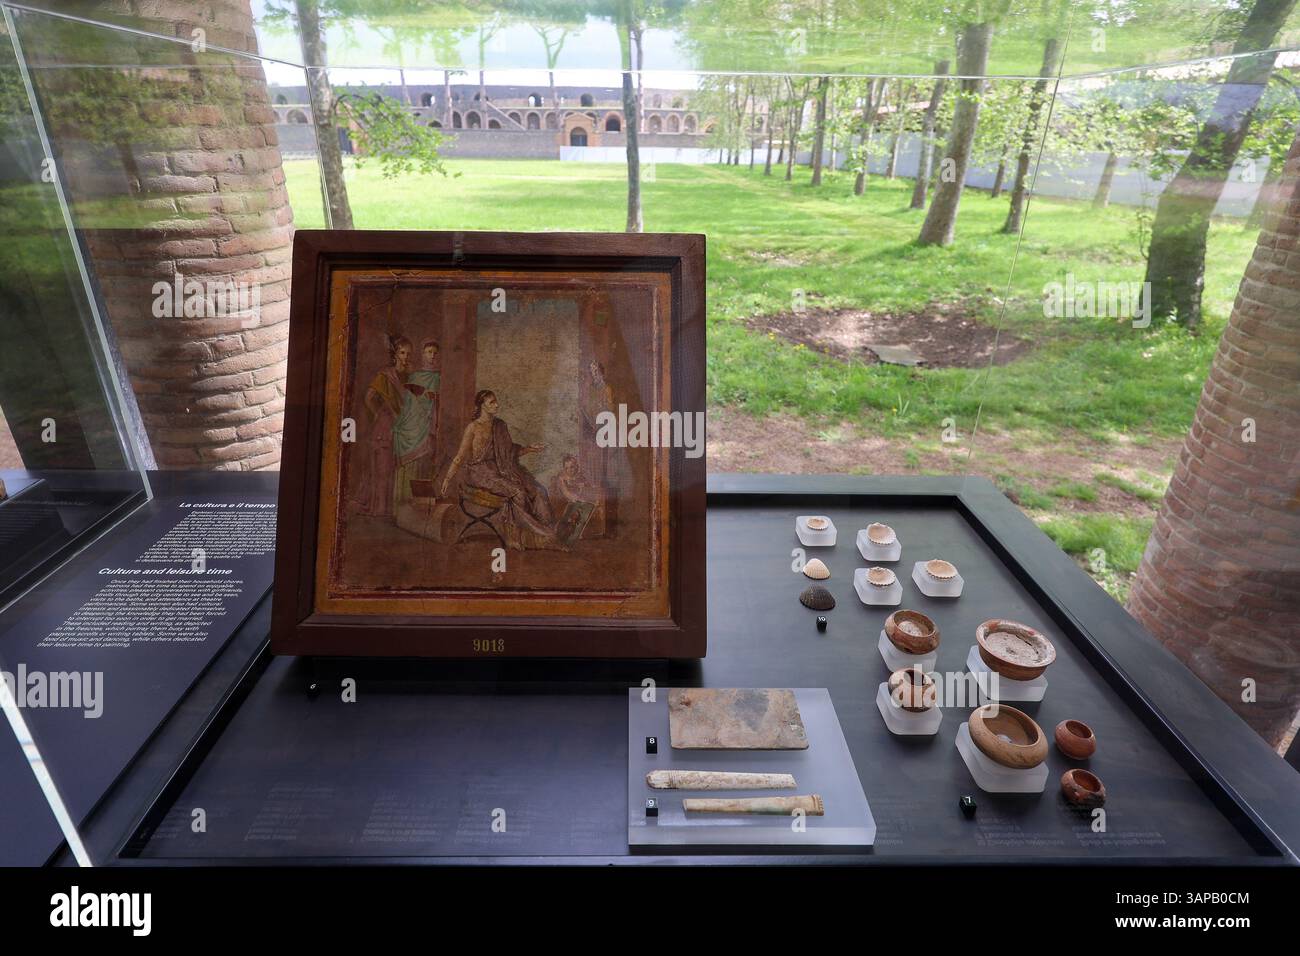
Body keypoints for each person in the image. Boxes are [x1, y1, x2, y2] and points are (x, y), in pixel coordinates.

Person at [440, 389, 557, 549]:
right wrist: (447, 479)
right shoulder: (473, 428)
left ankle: (547, 533)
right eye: (492, 402)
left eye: (496, 401)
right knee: (517, 491)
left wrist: (529, 448)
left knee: (539, 490)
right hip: (480, 473)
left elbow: (509, 451)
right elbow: (460, 457)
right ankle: (520, 537)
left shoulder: (500, 425)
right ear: (482, 406)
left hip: (503, 468)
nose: (497, 405)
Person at [356, 335, 411, 517]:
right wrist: (379, 413)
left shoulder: (411, 376)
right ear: (395, 355)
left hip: (403, 428)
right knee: (383, 469)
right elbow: (369, 397)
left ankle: (394, 511)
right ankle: (380, 510)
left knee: (397, 471)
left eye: (408, 353)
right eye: (402, 352)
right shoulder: (386, 376)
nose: (406, 356)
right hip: (385, 427)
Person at [393, 339, 441, 506]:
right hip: (413, 424)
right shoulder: (415, 376)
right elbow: (407, 402)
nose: (432, 355)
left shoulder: (441, 377)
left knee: (425, 463)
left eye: (435, 352)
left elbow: (441, 401)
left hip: (428, 424)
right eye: (429, 352)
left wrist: (433, 398)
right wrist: (422, 396)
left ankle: (421, 507)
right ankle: (402, 505)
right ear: (423, 354)